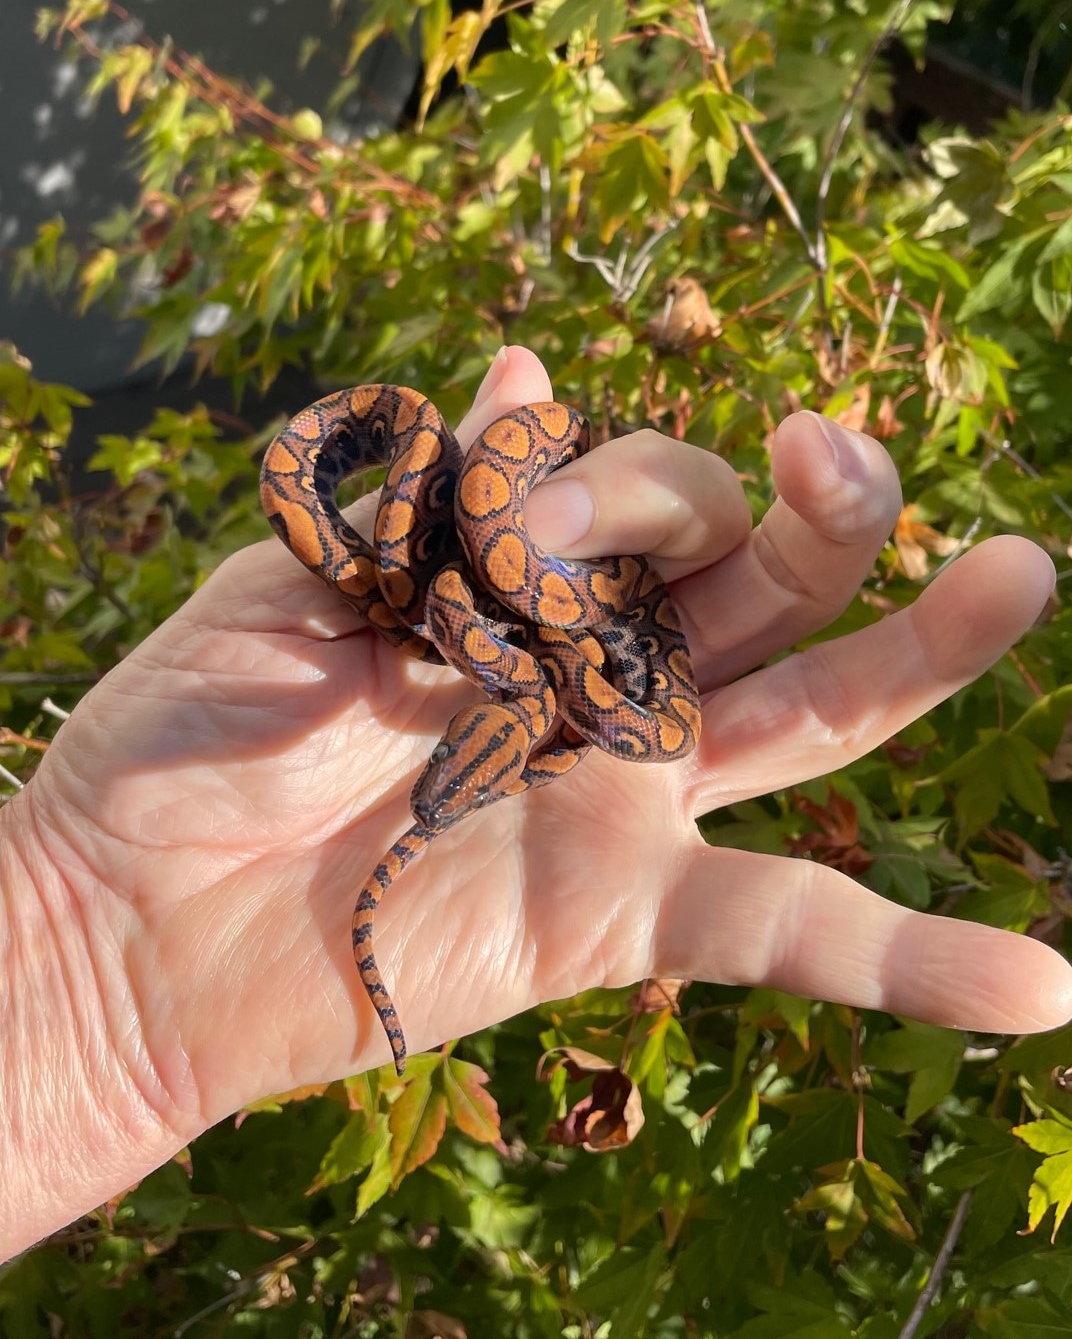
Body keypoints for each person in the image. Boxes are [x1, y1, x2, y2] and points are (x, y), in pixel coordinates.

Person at [1, 346, 1068, 1261]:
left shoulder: (525, 664)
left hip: (532, 629)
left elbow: (555, 675)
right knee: (470, 496)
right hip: (520, 623)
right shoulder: (507, 657)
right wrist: (80, 933)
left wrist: (90, 1005)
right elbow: (522, 657)